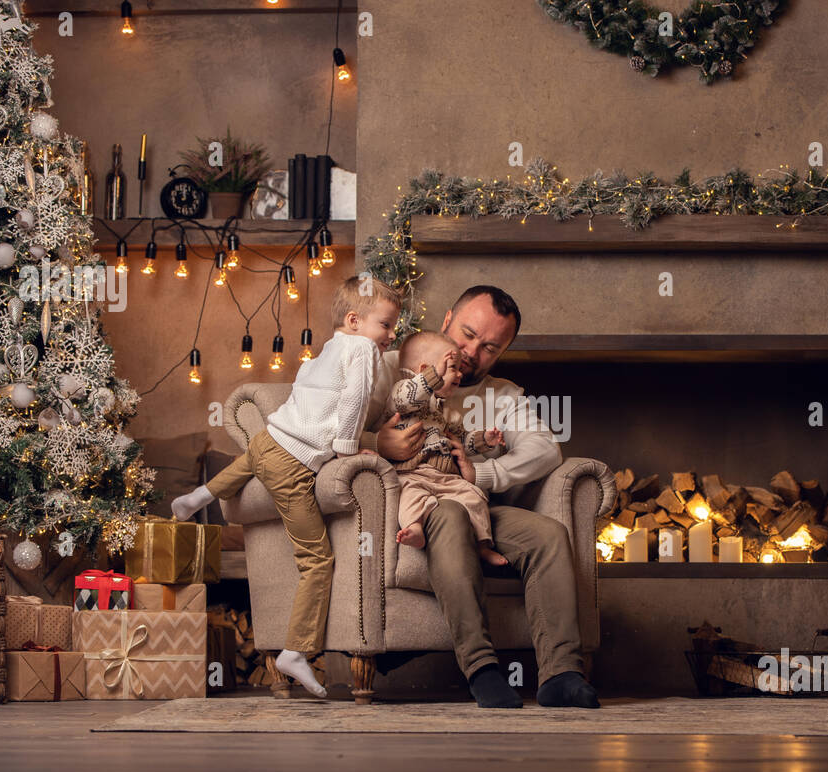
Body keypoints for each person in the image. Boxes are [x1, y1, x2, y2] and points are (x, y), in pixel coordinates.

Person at [362, 286, 599, 709]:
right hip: (415, 506)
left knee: (547, 535)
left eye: (490, 347)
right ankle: (482, 670)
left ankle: (561, 673)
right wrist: (378, 443)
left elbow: (546, 449)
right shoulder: (391, 367)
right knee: (450, 513)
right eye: (468, 334)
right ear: (448, 318)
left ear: (502, 352)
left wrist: (482, 474)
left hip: (473, 503)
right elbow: (333, 427)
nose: (471, 351)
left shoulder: (503, 395)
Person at [170, 276, 400, 698]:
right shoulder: (365, 351)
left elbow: (306, 391)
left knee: (252, 459)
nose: (391, 335)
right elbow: (353, 403)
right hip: (292, 465)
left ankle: (195, 499)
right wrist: (348, 451)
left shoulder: (330, 348)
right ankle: (296, 650)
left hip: (271, 440)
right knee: (316, 561)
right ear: (355, 320)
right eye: (386, 325)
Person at [386, 329, 508, 566]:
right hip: (411, 473)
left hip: (445, 477)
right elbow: (408, 397)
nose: (460, 374)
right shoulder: (401, 394)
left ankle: (482, 544)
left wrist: (484, 439)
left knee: (474, 496)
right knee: (410, 496)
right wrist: (434, 377)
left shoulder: (446, 412)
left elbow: (460, 441)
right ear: (424, 371)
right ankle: (414, 528)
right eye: (453, 368)